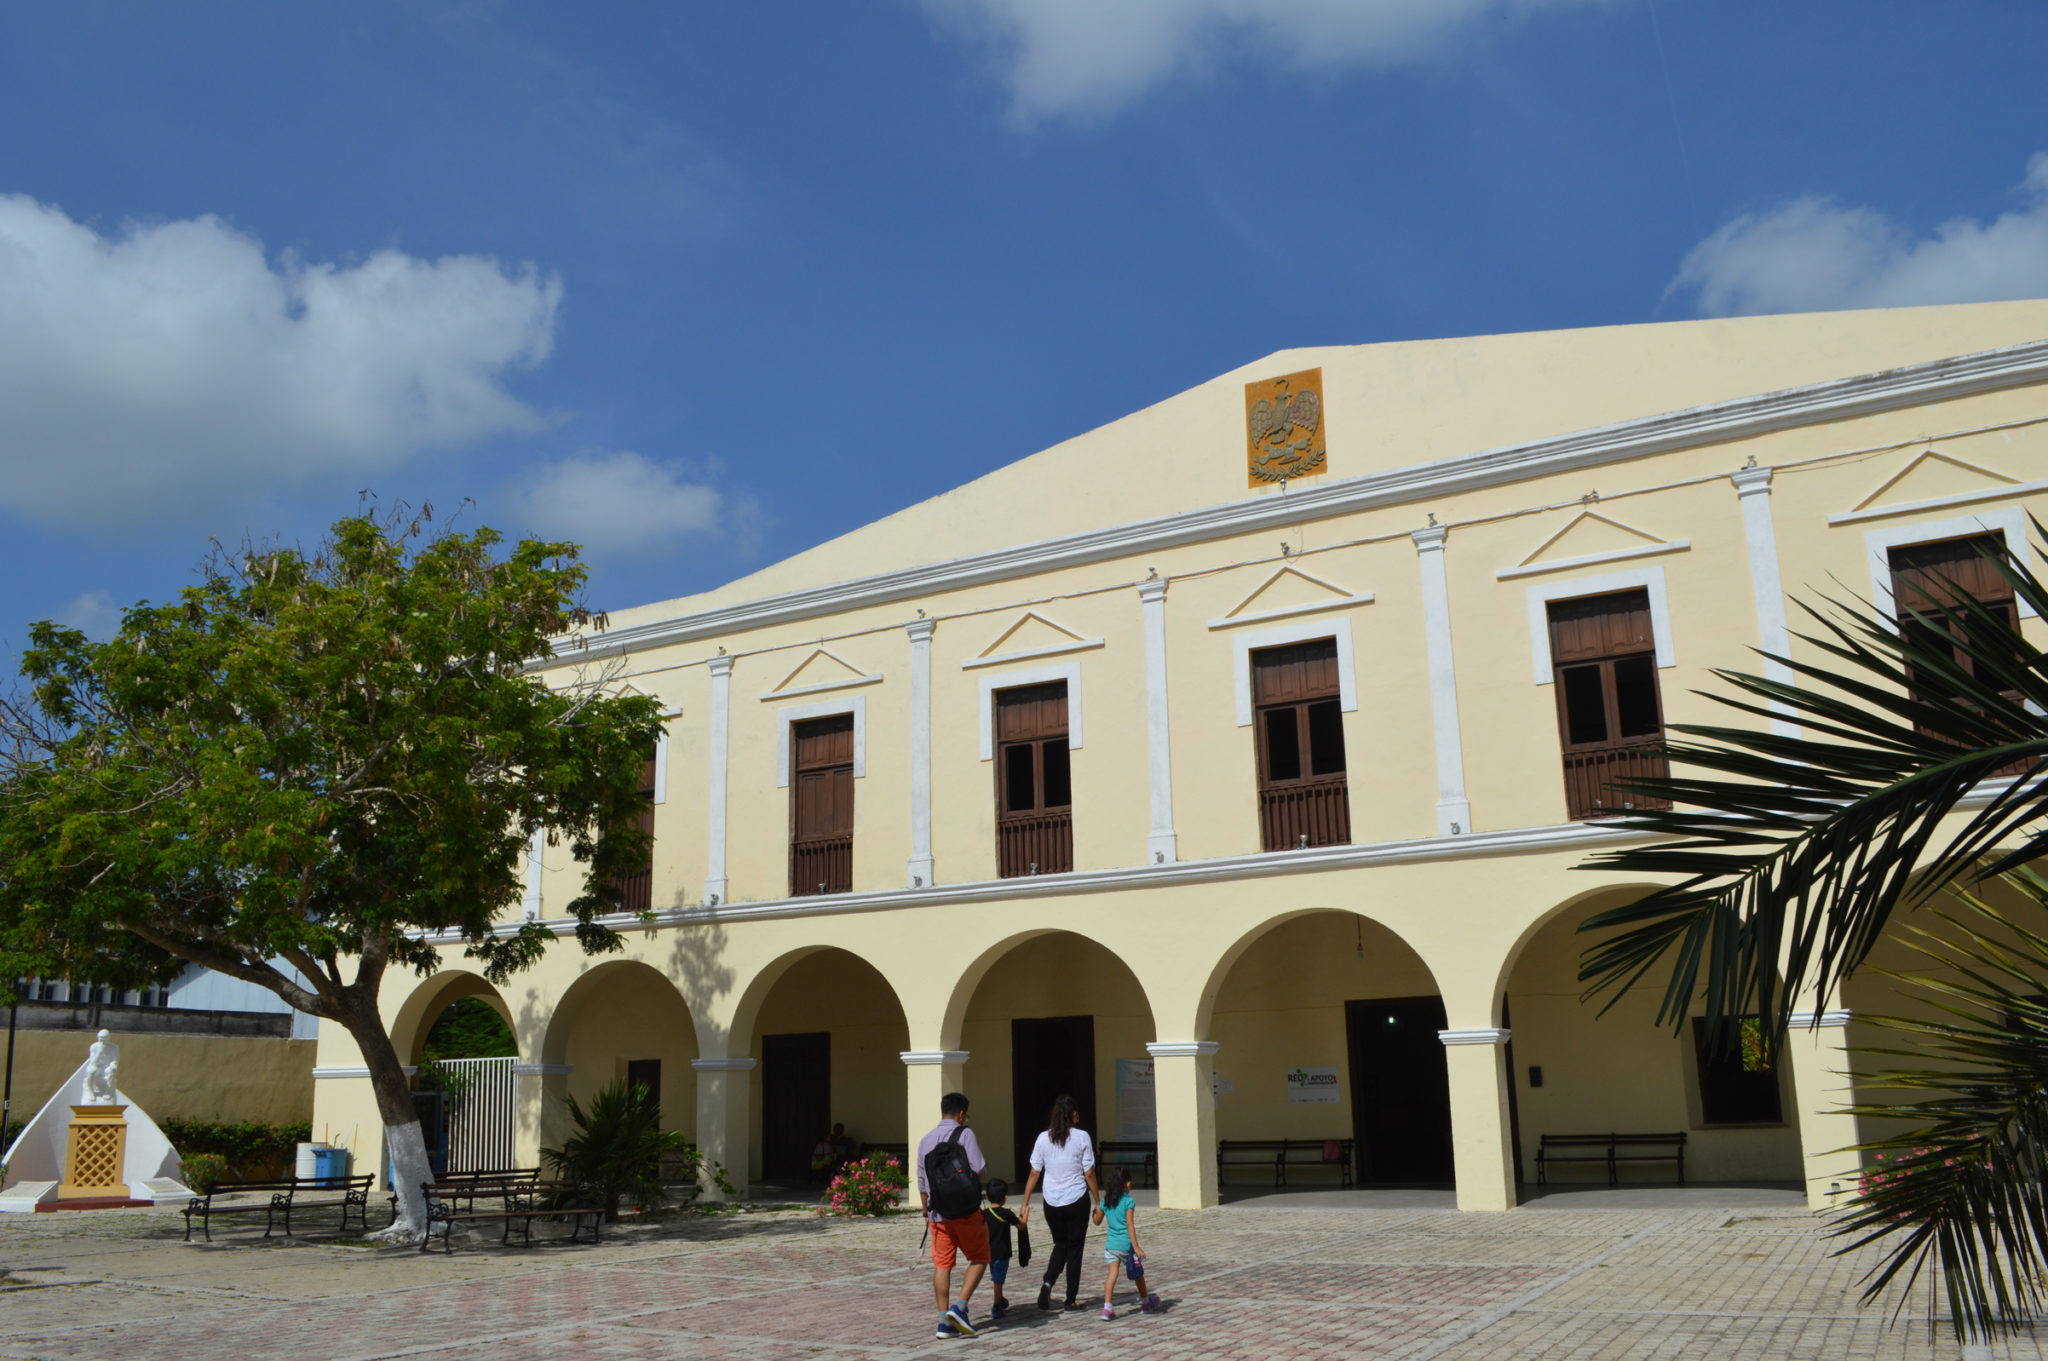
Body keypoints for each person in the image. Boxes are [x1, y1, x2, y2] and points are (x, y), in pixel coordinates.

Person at [916, 1091, 989, 1339]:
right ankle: (960, 1307)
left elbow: (922, 1182)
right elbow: (979, 1168)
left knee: (942, 1265)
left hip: (938, 1214)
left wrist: (927, 1210)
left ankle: (942, 1322)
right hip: (966, 1211)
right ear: (961, 1114)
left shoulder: (925, 1140)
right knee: (980, 1257)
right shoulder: (965, 1134)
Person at [1017, 1092, 1099, 1311]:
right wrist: (1098, 1201)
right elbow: (1089, 1172)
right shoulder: (1082, 1137)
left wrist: (1025, 1202)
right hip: (1076, 1199)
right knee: (1074, 1249)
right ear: (1072, 1114)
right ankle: (1070, 1299)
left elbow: (1034, 1172)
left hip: (1051, 1201)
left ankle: (1048, 1281)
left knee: (1060, 1244)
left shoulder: (1043, 1138)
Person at [1093, 1165, 1161, 1318]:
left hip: (1111, 1246)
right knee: (1138, 1275)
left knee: (1112, 1275)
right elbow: (1130, 1225)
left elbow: (1096, 1221)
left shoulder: (1106, 1200)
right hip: (1126, 1246)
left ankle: (1107, 1308)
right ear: (1127, 1184)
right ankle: (1146, 1302)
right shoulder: (1128, 1202)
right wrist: (1136, 1247)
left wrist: (1096, 1211)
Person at [981, 1178, 1031, 1318]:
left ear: (987, 1197)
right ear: (1005, 1198)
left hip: (989, 1252)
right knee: (998, 1280)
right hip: (1002, 1253)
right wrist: (1025, 1215)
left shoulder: (984, 1214)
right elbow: (1021, 1226)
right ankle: (996, 1307)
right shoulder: (1006, 1213)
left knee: (997, 1278)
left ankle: (1000, 1300)